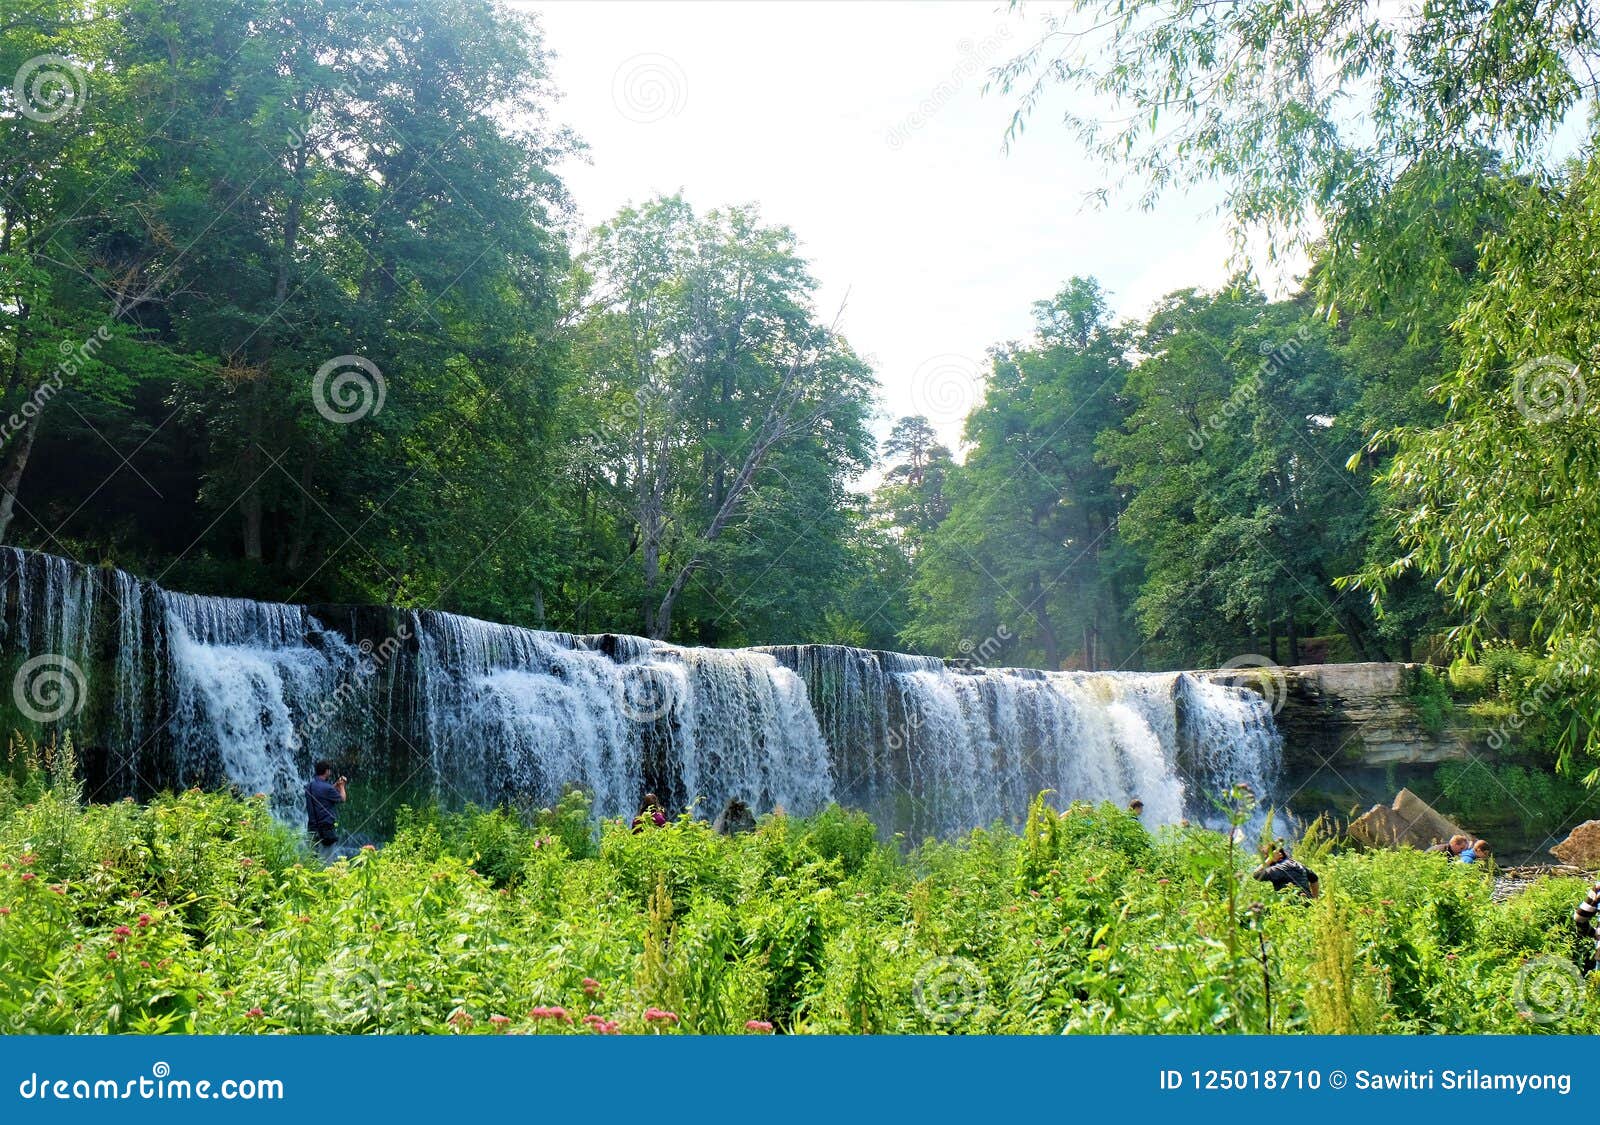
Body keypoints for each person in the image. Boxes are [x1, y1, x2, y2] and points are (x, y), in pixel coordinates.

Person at [305, 760, 347, 858]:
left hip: (312, 828)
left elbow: (322, 793)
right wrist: (341, 786)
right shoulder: (327, 788)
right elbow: (342, 799)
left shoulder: (309, 786)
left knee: (312, 861)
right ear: (327, 771)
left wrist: (335, 785)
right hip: (326, 831)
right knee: (326, 861)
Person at [1252, 843, 1319, 898]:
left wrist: (1269, 859)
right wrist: (1315, 899)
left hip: (1293, 909)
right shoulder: (1296, 863)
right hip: (1309, 904)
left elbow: (1256, 875)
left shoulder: (1277, 869)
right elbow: (1314, 878)